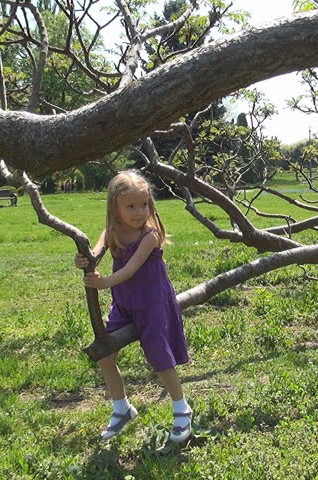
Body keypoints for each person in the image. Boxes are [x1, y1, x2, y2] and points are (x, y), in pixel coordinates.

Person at [74, 170, 192, 442]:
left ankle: (181, 408)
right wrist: (83, 261)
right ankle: (121, 408)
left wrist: (103, 283)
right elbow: (94, 255)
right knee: (106, 355)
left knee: (160, 358)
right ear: (114, 207)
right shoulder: (112, 231)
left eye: (145, 204)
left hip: (152, 302)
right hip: (124, 304)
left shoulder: (149, 235)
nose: (139, 212)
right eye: (131, 206)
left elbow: (130, 270)